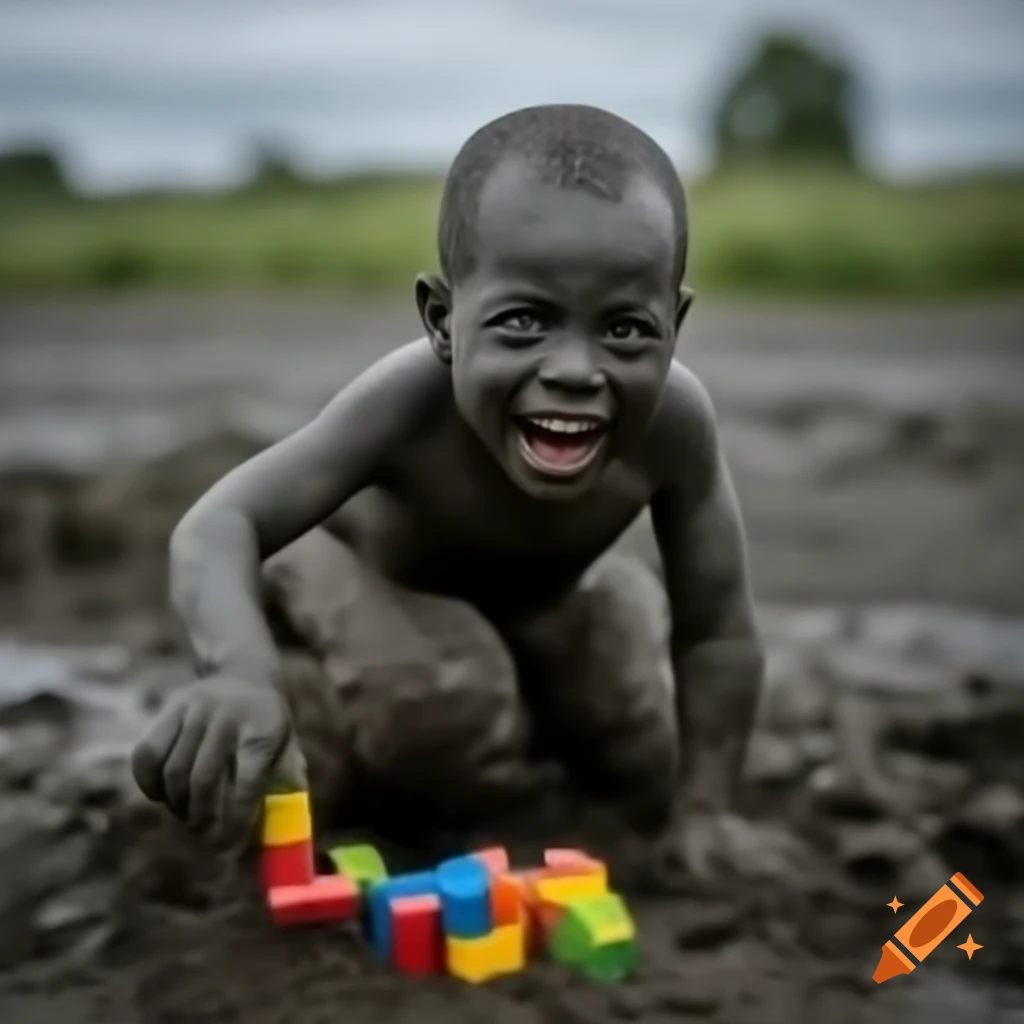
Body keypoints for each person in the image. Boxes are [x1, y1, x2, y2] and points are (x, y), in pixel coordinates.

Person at [131, 104, 765, 877]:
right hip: (362, 575)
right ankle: (325, 710)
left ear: (677, 320)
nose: (574, 367)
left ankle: (525, 733)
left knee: (639, 741)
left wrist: (704, 812)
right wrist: (240, 673)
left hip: (544, 601)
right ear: (442, 319)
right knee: (449, 707)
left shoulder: (678, 426)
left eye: (626, 329)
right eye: (525, 321)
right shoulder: (405, 404)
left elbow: (718, 635)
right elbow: (219, 522)